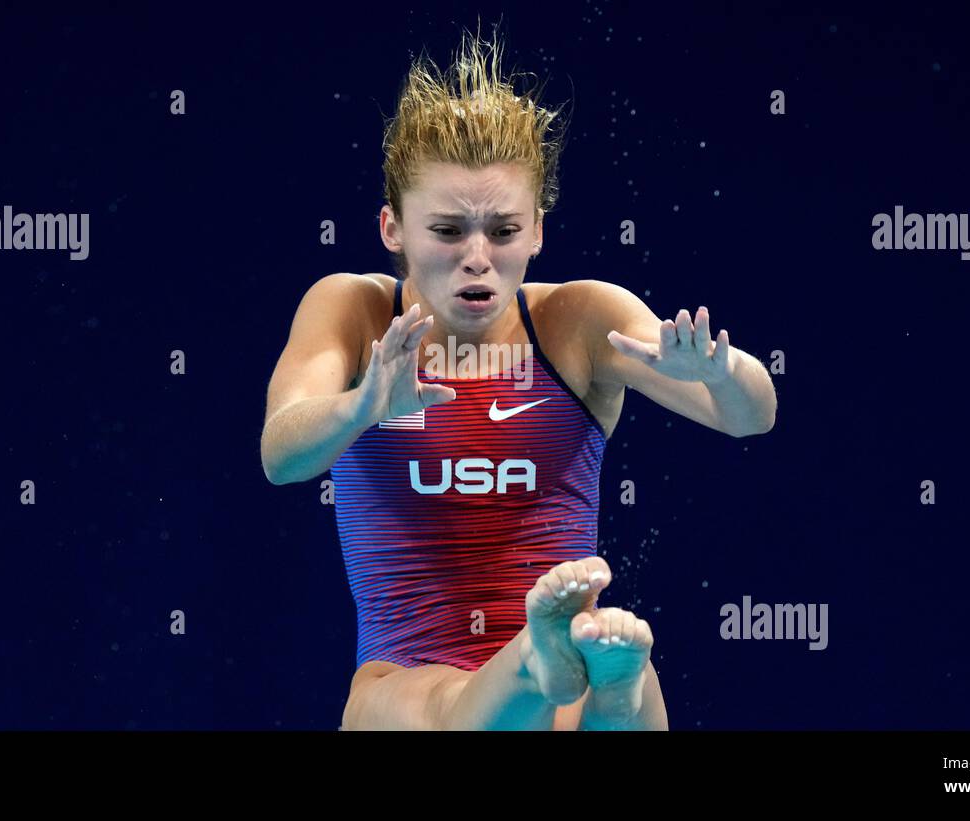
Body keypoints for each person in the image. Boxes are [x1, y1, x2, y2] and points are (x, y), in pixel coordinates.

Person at [260, 29, 777, 730]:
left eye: (502, 231)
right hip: (409, 674)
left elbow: (751, 416)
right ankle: (576, 676)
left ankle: (581, 677)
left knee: (577, 686)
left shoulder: (576, 321)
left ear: (537, 229)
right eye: (447, 230)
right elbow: (281, 453)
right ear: (392, 228)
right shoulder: (353, 310)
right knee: (438, 707)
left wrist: (723, 371)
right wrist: (361, 406)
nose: (477, 257)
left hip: (563, 654)